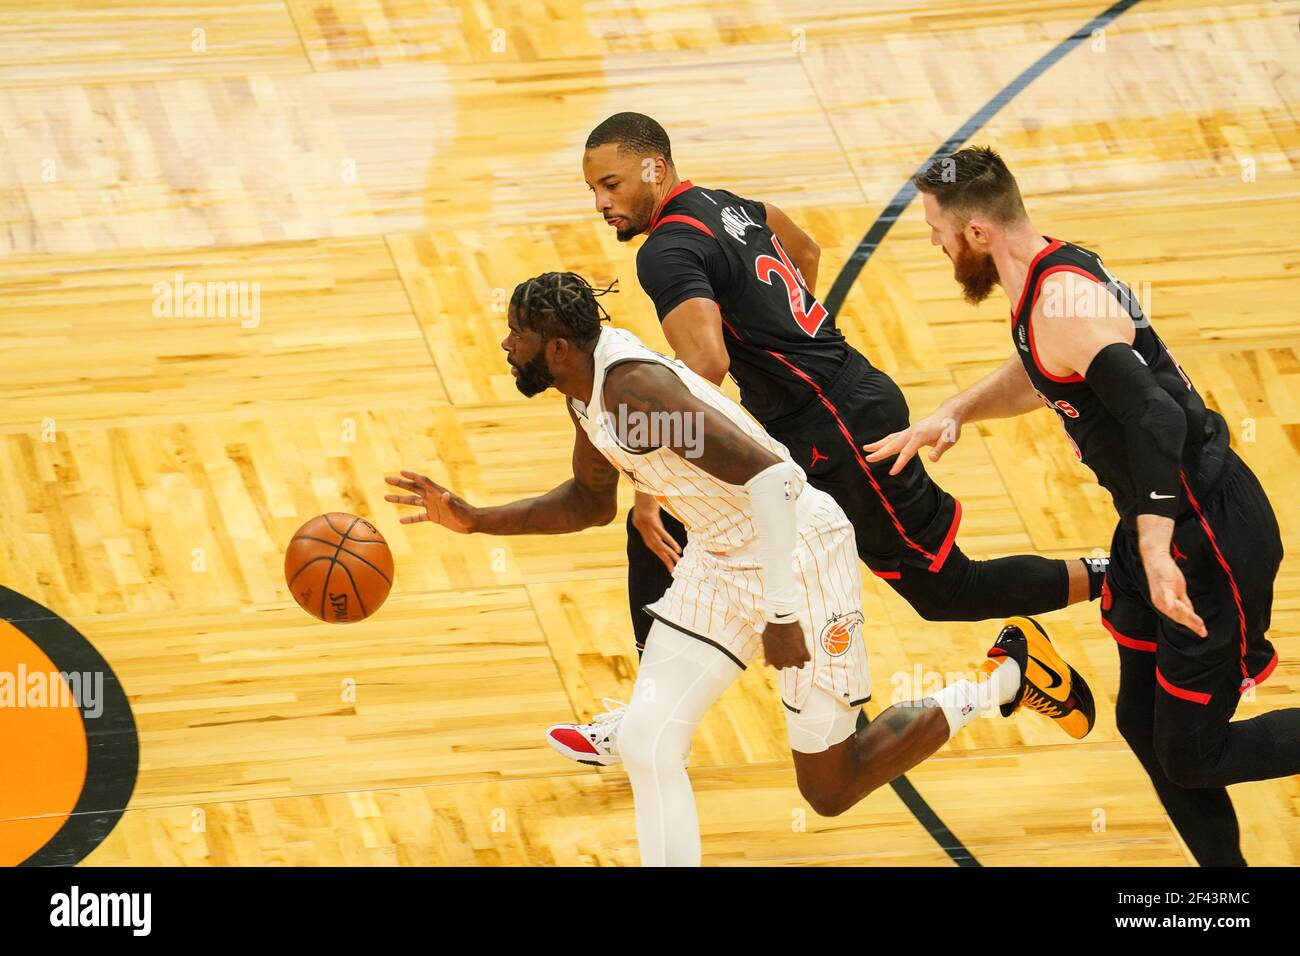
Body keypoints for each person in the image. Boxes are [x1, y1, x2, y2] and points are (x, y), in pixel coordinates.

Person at [385, 270, 1094, 865]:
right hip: (721, 556)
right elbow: (588, 502)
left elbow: (772, 479)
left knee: (831, 788)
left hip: (799, 552)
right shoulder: (583, 394)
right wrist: (475, 518)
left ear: (560, 347)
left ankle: (1002, 677)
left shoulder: (636, 397)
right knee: (647, 740)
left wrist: (782, 613)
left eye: (518, 335)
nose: (506, 345)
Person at [866, 145, 1300, 866]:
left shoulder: (1060, 300)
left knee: (1192, 753)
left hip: (1204, 534)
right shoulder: (1045, 277)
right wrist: (959, 410)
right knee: (1140, 722)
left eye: (937, 231)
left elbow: (1157, 418)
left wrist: (1158, 547)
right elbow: (1046, 369)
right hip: (1159, 525)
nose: (934, 244)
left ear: (977, 233)